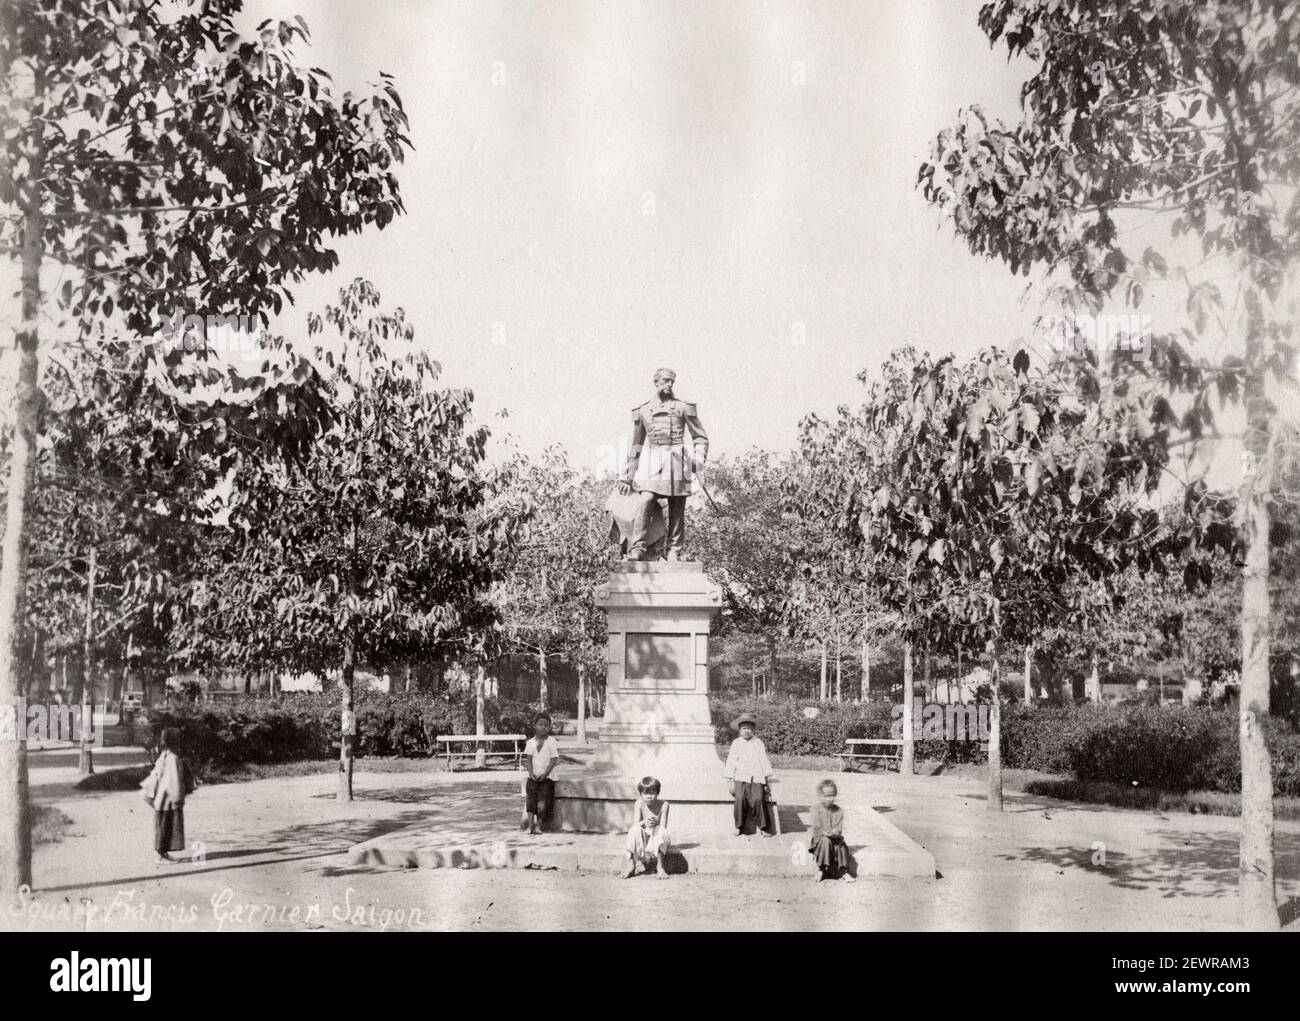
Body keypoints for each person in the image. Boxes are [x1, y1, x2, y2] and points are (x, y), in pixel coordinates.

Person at [615, 367, 709, 561]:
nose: (669, 385)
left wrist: (698, 460)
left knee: (677, 506)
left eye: (672, 382)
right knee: (646, 499)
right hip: (653, 463)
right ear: (656, 382)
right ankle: (638, 548)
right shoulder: (643, 411)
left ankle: (674, 550)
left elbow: (700, 437)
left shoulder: (683, 408)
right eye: (666, 381)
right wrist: (627, 477)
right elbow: (636, 445)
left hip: (677, 462)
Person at [140, 727, 196, 864]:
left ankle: (162, 854)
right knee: (167, 827)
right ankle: (162, 855)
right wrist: (178, 798)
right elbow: (174, 780)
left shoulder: (164, 756)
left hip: (161, 799)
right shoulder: (174, 759)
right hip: (168, 801)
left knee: (163, 827)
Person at [723, 712, 774, 836]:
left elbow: (764, 762)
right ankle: (739, 826)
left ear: (754, 730)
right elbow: (731, 762)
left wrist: (767, 781)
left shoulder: (758, 743)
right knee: (740, 799)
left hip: (756, 777)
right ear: (739, 730)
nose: (747, 731)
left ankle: (763, 827)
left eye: (750, 729)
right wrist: (730, 781)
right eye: (744, 728)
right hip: (741, 777)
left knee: (758, 799)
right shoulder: (736, 743)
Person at [624, 776, 672, 879]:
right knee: (634, 829)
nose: (649, 796)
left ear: (657, 793)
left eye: (652, 793)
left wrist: (656, 822)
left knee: (660, 830)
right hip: (644, 840)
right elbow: (636, 825)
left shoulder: (664, 804)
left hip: (657, 840)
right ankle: (631, 865)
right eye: (645, 793)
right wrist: (644, 821)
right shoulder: (639, 804)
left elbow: (664, 828)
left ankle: (660, 867)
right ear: (641, 794)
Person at [809, 779, 855, 882]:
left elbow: (839, 828)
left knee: (841, 845)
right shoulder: (816, 809)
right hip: (820, 840)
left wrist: (836, 832)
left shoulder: (839, 811)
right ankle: (820, 870)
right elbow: (816, 827)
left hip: (834, 838)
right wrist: (824, 832)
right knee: (826, 841)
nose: (829, 799)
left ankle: (844, 872)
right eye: (826, 796)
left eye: (832, 796)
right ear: (820, 796)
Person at [522, 712, 560, 834]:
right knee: (531, 795)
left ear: (549, 727)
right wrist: (531, 774)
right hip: (534, 775)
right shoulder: (530, 742)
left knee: (543, 799)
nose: (543, 727)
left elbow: (554, 759)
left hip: (548, 777)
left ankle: (539, 825)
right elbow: (528, 760)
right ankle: (530, 825)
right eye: (540, 725)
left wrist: (545, 775)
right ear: (535, 726)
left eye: (546, 725)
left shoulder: (551, 741)